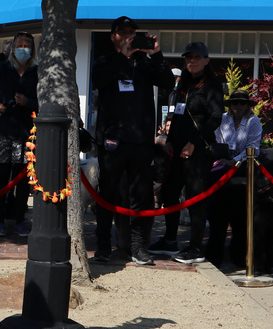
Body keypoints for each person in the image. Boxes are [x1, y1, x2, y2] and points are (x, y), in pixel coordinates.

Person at [93, 17, 174, 265]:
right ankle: (104, 246)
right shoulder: (105, 61)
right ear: (113, 37)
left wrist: (156, 53)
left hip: (140, 142)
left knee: (142, 196)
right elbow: (98, 81)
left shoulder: (145, 63)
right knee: (107, 195)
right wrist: (123, 56)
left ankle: (139, 247)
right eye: (124, 33)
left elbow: (169, 83)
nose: (129, 36)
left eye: (133, 33)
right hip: (112, 142)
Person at [150, 42, 223, 264]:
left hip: (198, 150)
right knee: (169, 193)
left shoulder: (212, 85)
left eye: (197, 57)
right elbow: (176, 115)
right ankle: (170, 239)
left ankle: (195, 247)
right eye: (189, 57)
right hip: (177, 148)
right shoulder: (182, 84)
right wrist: (170, 141)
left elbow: (216, 117)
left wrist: (193, 142)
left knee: (194, 197)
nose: (192, 61)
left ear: (206, 60)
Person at [0, 32, 38, 237]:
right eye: (19, 45)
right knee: (1, 178)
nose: (22, 49)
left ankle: (20, 219)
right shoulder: (1, 69)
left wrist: (27, 103)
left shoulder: (36, 72)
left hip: (26, 132)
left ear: (32, 49)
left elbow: (44, 100)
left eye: (26, 46)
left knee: (22, 180)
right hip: (3, 130)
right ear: (12, 48)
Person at [204, 89, 262, 266]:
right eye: (235, 103)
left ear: (247, 106)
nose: (238, 106)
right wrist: (224, 159)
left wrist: (235, 160)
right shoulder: (222, 119)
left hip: (244, 165)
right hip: (222, 164)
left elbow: (254, 147)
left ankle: (240, 257)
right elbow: (216, 141)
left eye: (242, 103)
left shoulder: (253, 121)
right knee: (217, 215)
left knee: (241, 220)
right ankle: (214, 255)